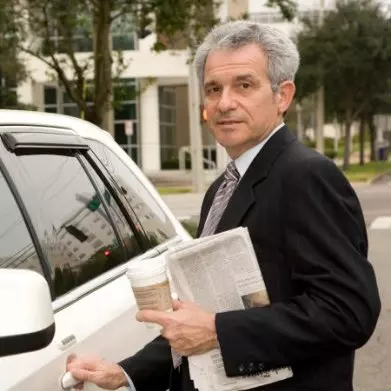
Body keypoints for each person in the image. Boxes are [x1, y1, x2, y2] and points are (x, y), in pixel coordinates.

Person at [66, 20, 381, 391]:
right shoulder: (221, 188)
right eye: (213, 89)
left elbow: (348, 312)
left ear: (283, 95)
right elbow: (197, 320)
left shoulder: (306, 176)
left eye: (244, 85)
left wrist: (218, 331)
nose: (225, 103)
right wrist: (126, 373)